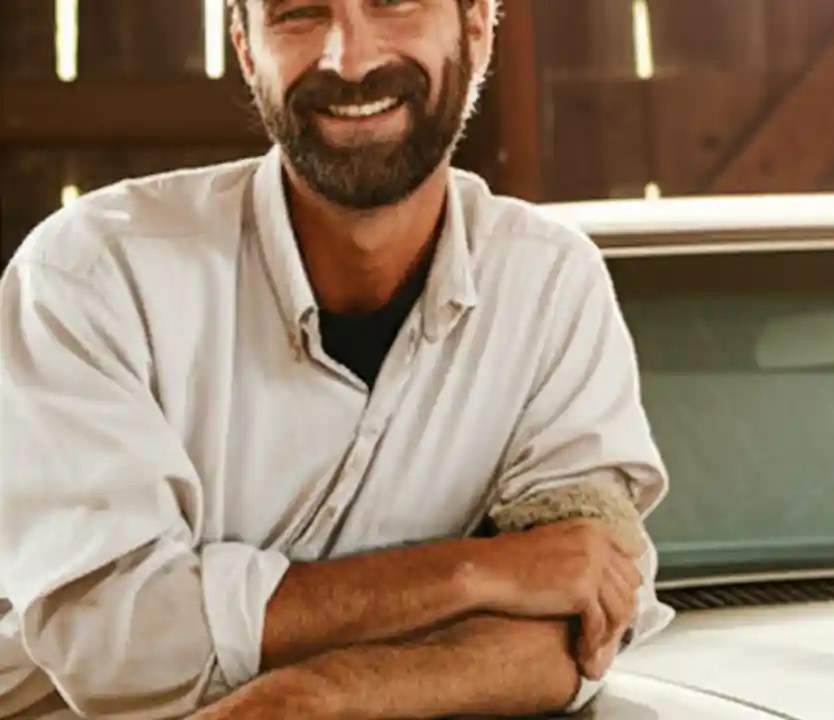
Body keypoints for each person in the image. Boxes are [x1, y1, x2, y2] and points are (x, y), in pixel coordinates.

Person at [0, 0, 672, 717]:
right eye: (297, 14)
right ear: (245, 47)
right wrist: (474, 574)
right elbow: (116, 643)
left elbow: (581, 626)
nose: (347, 59)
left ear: (476, 28)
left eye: (394, 5)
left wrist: (315, 698)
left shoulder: (548, 286)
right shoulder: (94, 275)